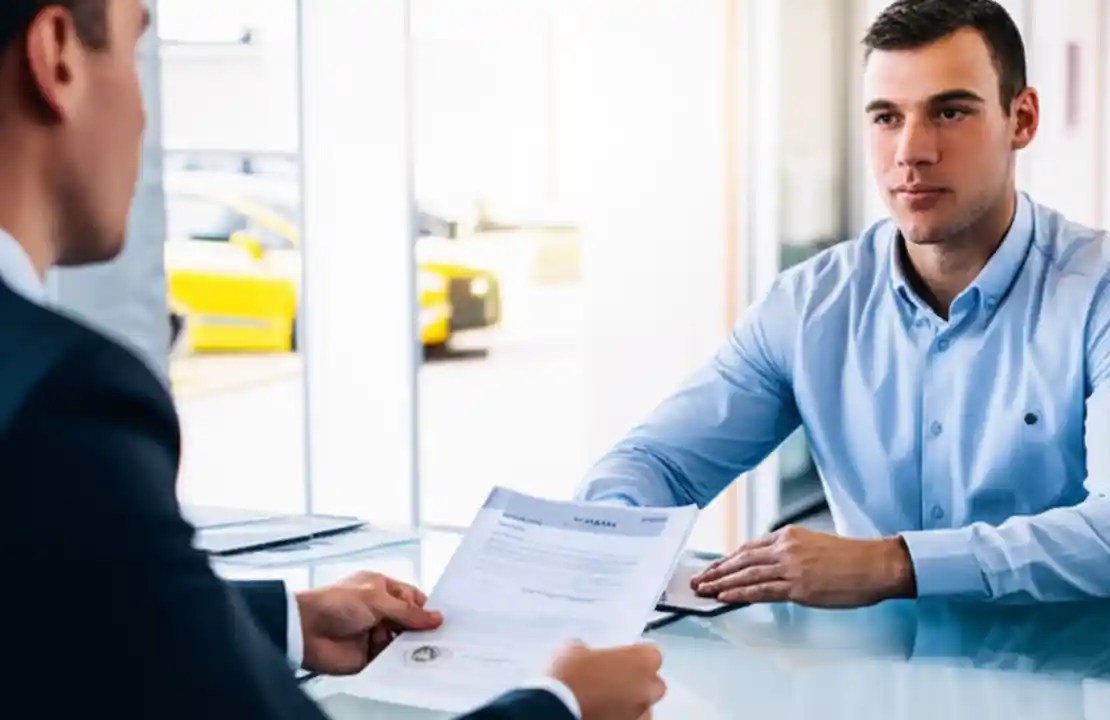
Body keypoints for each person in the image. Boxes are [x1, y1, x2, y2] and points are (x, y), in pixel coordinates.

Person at [0, 2, 664, 718]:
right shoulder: (63, 399)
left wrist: (288, 620)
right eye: (133, 54)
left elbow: (48, 606)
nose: (143, 118)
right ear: (59, 55)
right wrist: (562, 706)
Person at [578, 0, 1110, 607]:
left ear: (1021, 120)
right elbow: (655, 463)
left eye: (950, 112)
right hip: (873, 671)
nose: (911, 151)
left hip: (1071, 667)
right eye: (886, 118)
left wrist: (892, 564)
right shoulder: (809, 305)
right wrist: (598, 553)